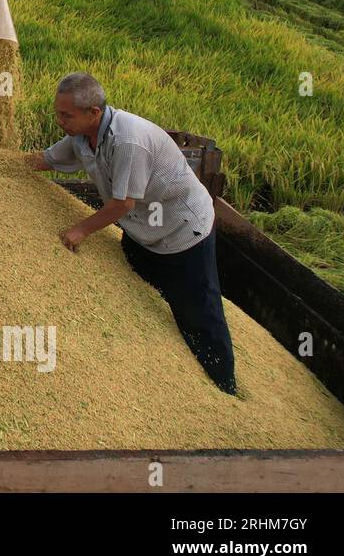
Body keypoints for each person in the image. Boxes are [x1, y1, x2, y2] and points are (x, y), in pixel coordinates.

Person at [24, 72, 237, 395]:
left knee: (198, 311)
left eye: (65, 115)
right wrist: (4, 164)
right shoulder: (82, 137)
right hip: (142, 230)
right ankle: (152, 358)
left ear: (93, 113)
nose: (59, 120)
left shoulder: (128, 141)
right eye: (58, 112)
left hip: (182, 233)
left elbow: (123, 203)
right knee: (138, 285)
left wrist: (81, 229)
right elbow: (48, 160)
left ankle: (223, 385)